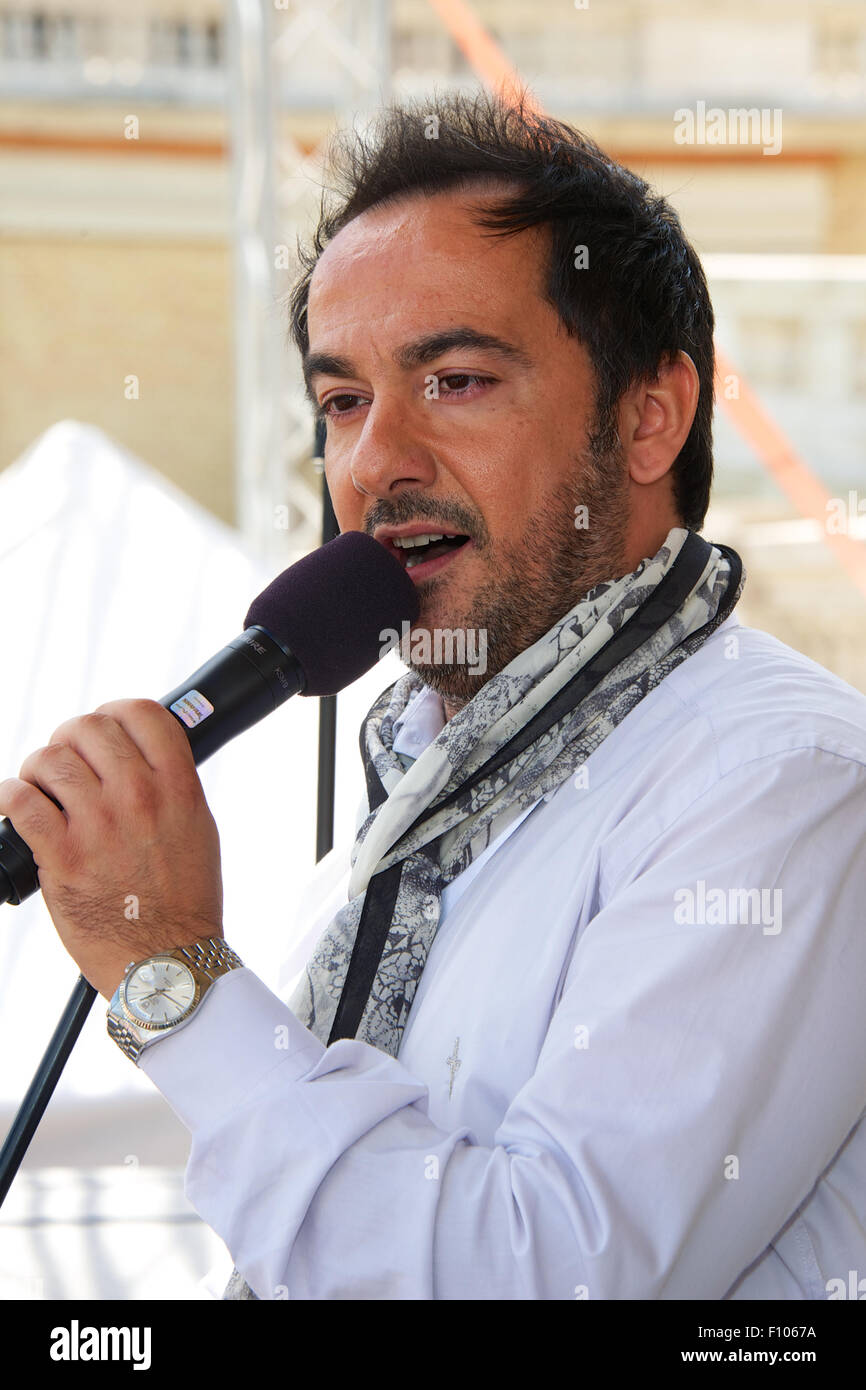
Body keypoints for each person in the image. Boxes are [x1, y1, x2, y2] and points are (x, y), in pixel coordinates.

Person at [2, 88, 865, 1302]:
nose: (373, 461)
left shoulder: (779, 781)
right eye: (341, 401)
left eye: (453, 380)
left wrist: (174, 975)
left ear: (648, 416)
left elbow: (537, 1281)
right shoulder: (411, 790)